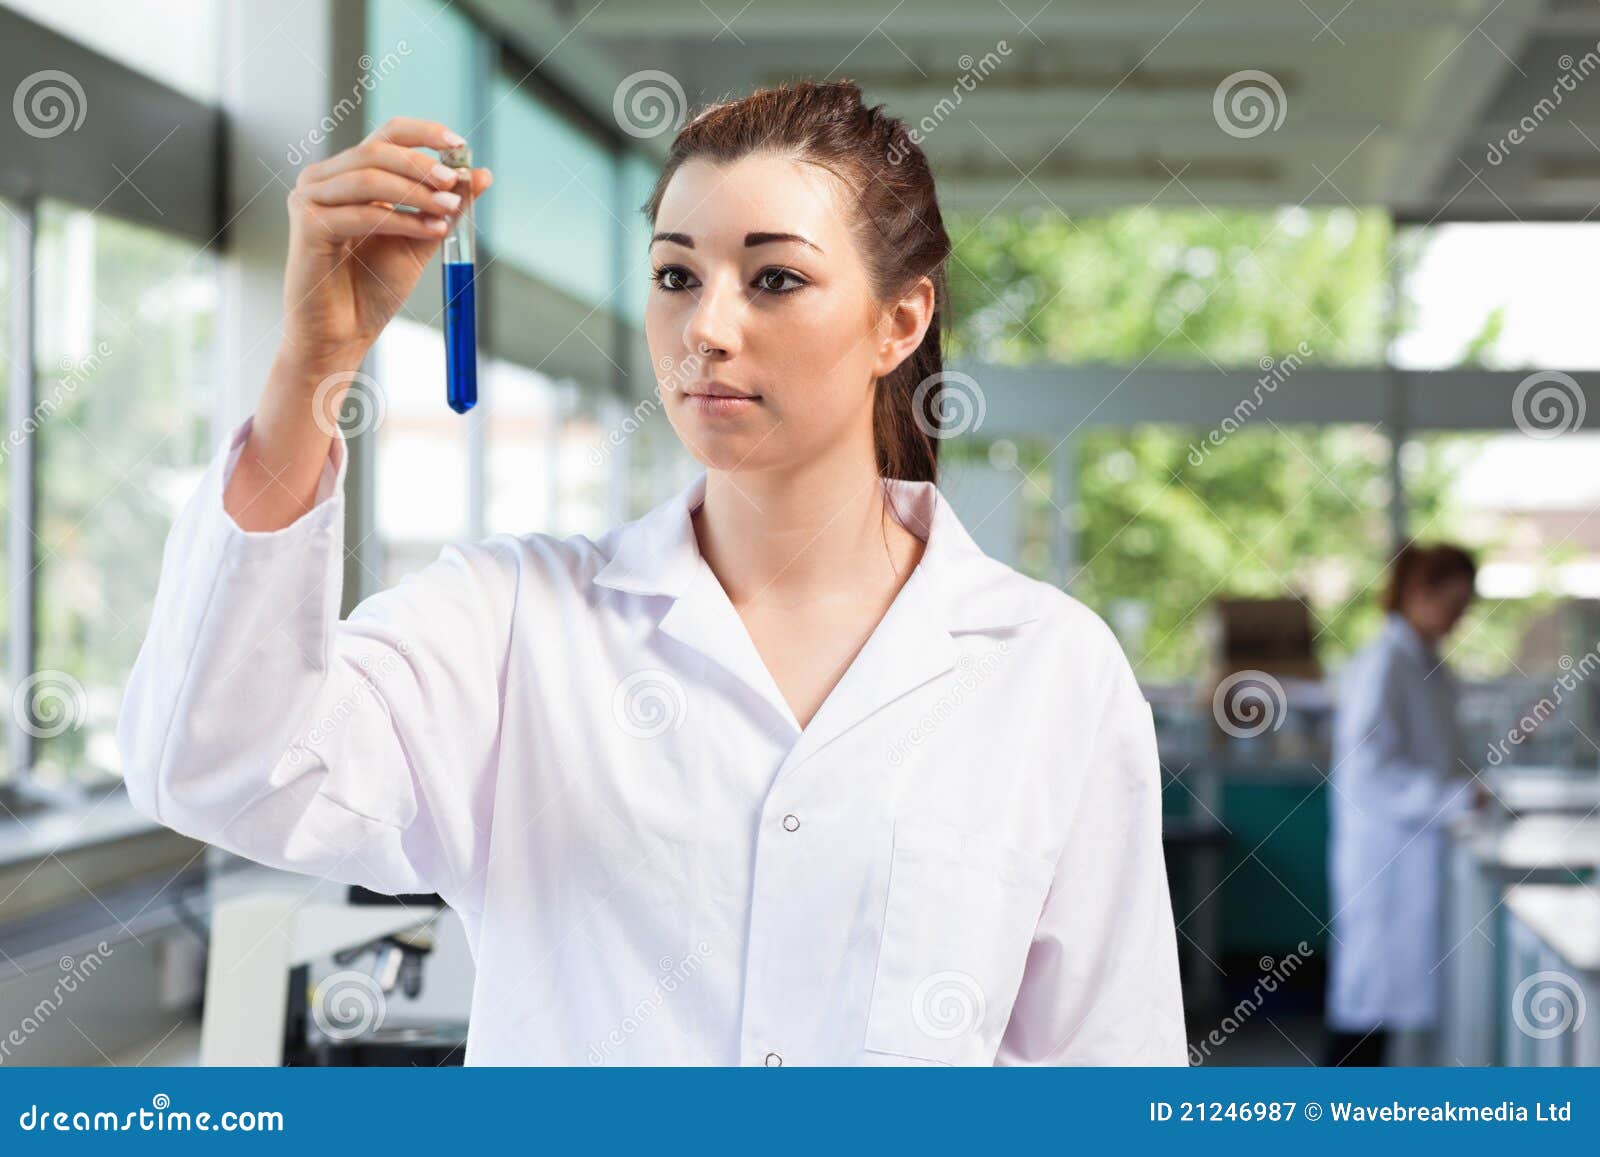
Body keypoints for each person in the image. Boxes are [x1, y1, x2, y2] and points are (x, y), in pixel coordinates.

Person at [117, 80, 1185, 1066]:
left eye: (775, 278)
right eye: (677, 275)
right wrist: (315, 359)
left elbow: (1103, 1070)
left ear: (899, 321)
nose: (707, 328)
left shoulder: (1048, 671)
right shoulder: (513, 621)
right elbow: (215, 764)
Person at [1324, 542, 1480, 1066]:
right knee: (1366, 1011)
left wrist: (1464, 791)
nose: (1460, 617)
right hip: (1386, 857)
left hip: (1415, 851)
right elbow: (1371, 770)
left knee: (1385, 1011)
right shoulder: (1385, 664)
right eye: (1453, 604)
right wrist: (1452, 798)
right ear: (1418, 592)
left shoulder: (1428, 665)